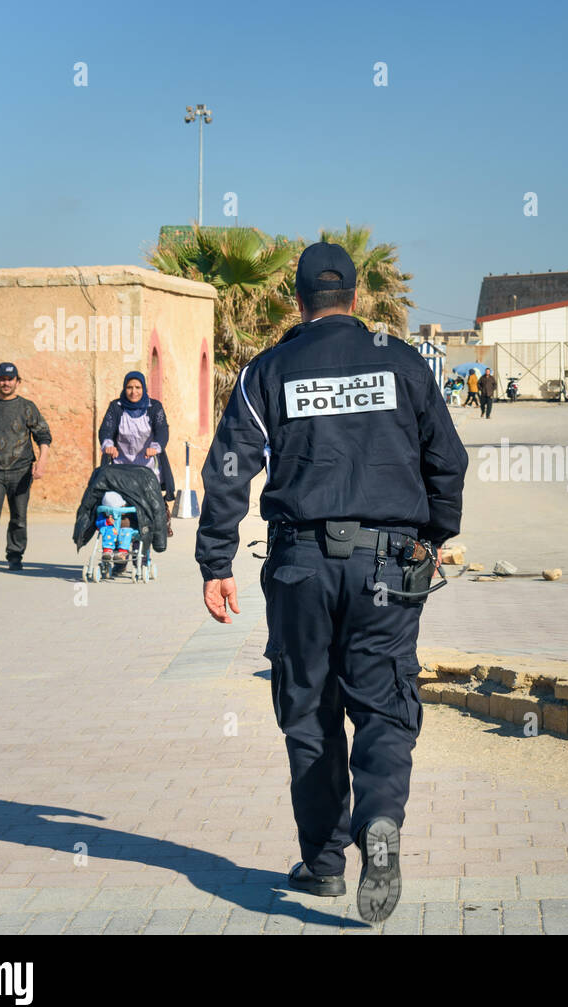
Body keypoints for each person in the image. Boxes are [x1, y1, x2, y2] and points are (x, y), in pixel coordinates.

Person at [195, 242, 468, 923]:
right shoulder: (403, 361)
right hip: (388, 560)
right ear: (355, 296)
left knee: (310, 709)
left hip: (299, 565)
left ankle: (322, 863)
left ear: (298, 300)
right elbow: (448, 459)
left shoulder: (270, 368)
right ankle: (379, 822)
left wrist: (216, 560)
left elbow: (229, 465)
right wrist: (432, 538)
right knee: (382, 703)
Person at [0, 362, 52, 572]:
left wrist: (42, 462)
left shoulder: (27, 407)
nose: (6, 383)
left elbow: (43, 435)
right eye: (2, 379)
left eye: (10, 379)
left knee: (18, 515)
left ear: (17, 381)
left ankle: (15, 555)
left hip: (21, 470)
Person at [99, 371, 176, 536]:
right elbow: (106, 429)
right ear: (124, 388)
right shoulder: (116, 407)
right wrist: (108, 445)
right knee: (113, 502)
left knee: (147, 505)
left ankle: (151, 528)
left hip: (146, 469)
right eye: (129, 387)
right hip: (122, 468)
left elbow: (162, 430)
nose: (134, 392)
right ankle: (122, 537)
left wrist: (156, 447)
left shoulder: (154, 407)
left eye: (138, 387)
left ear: (144, 388)